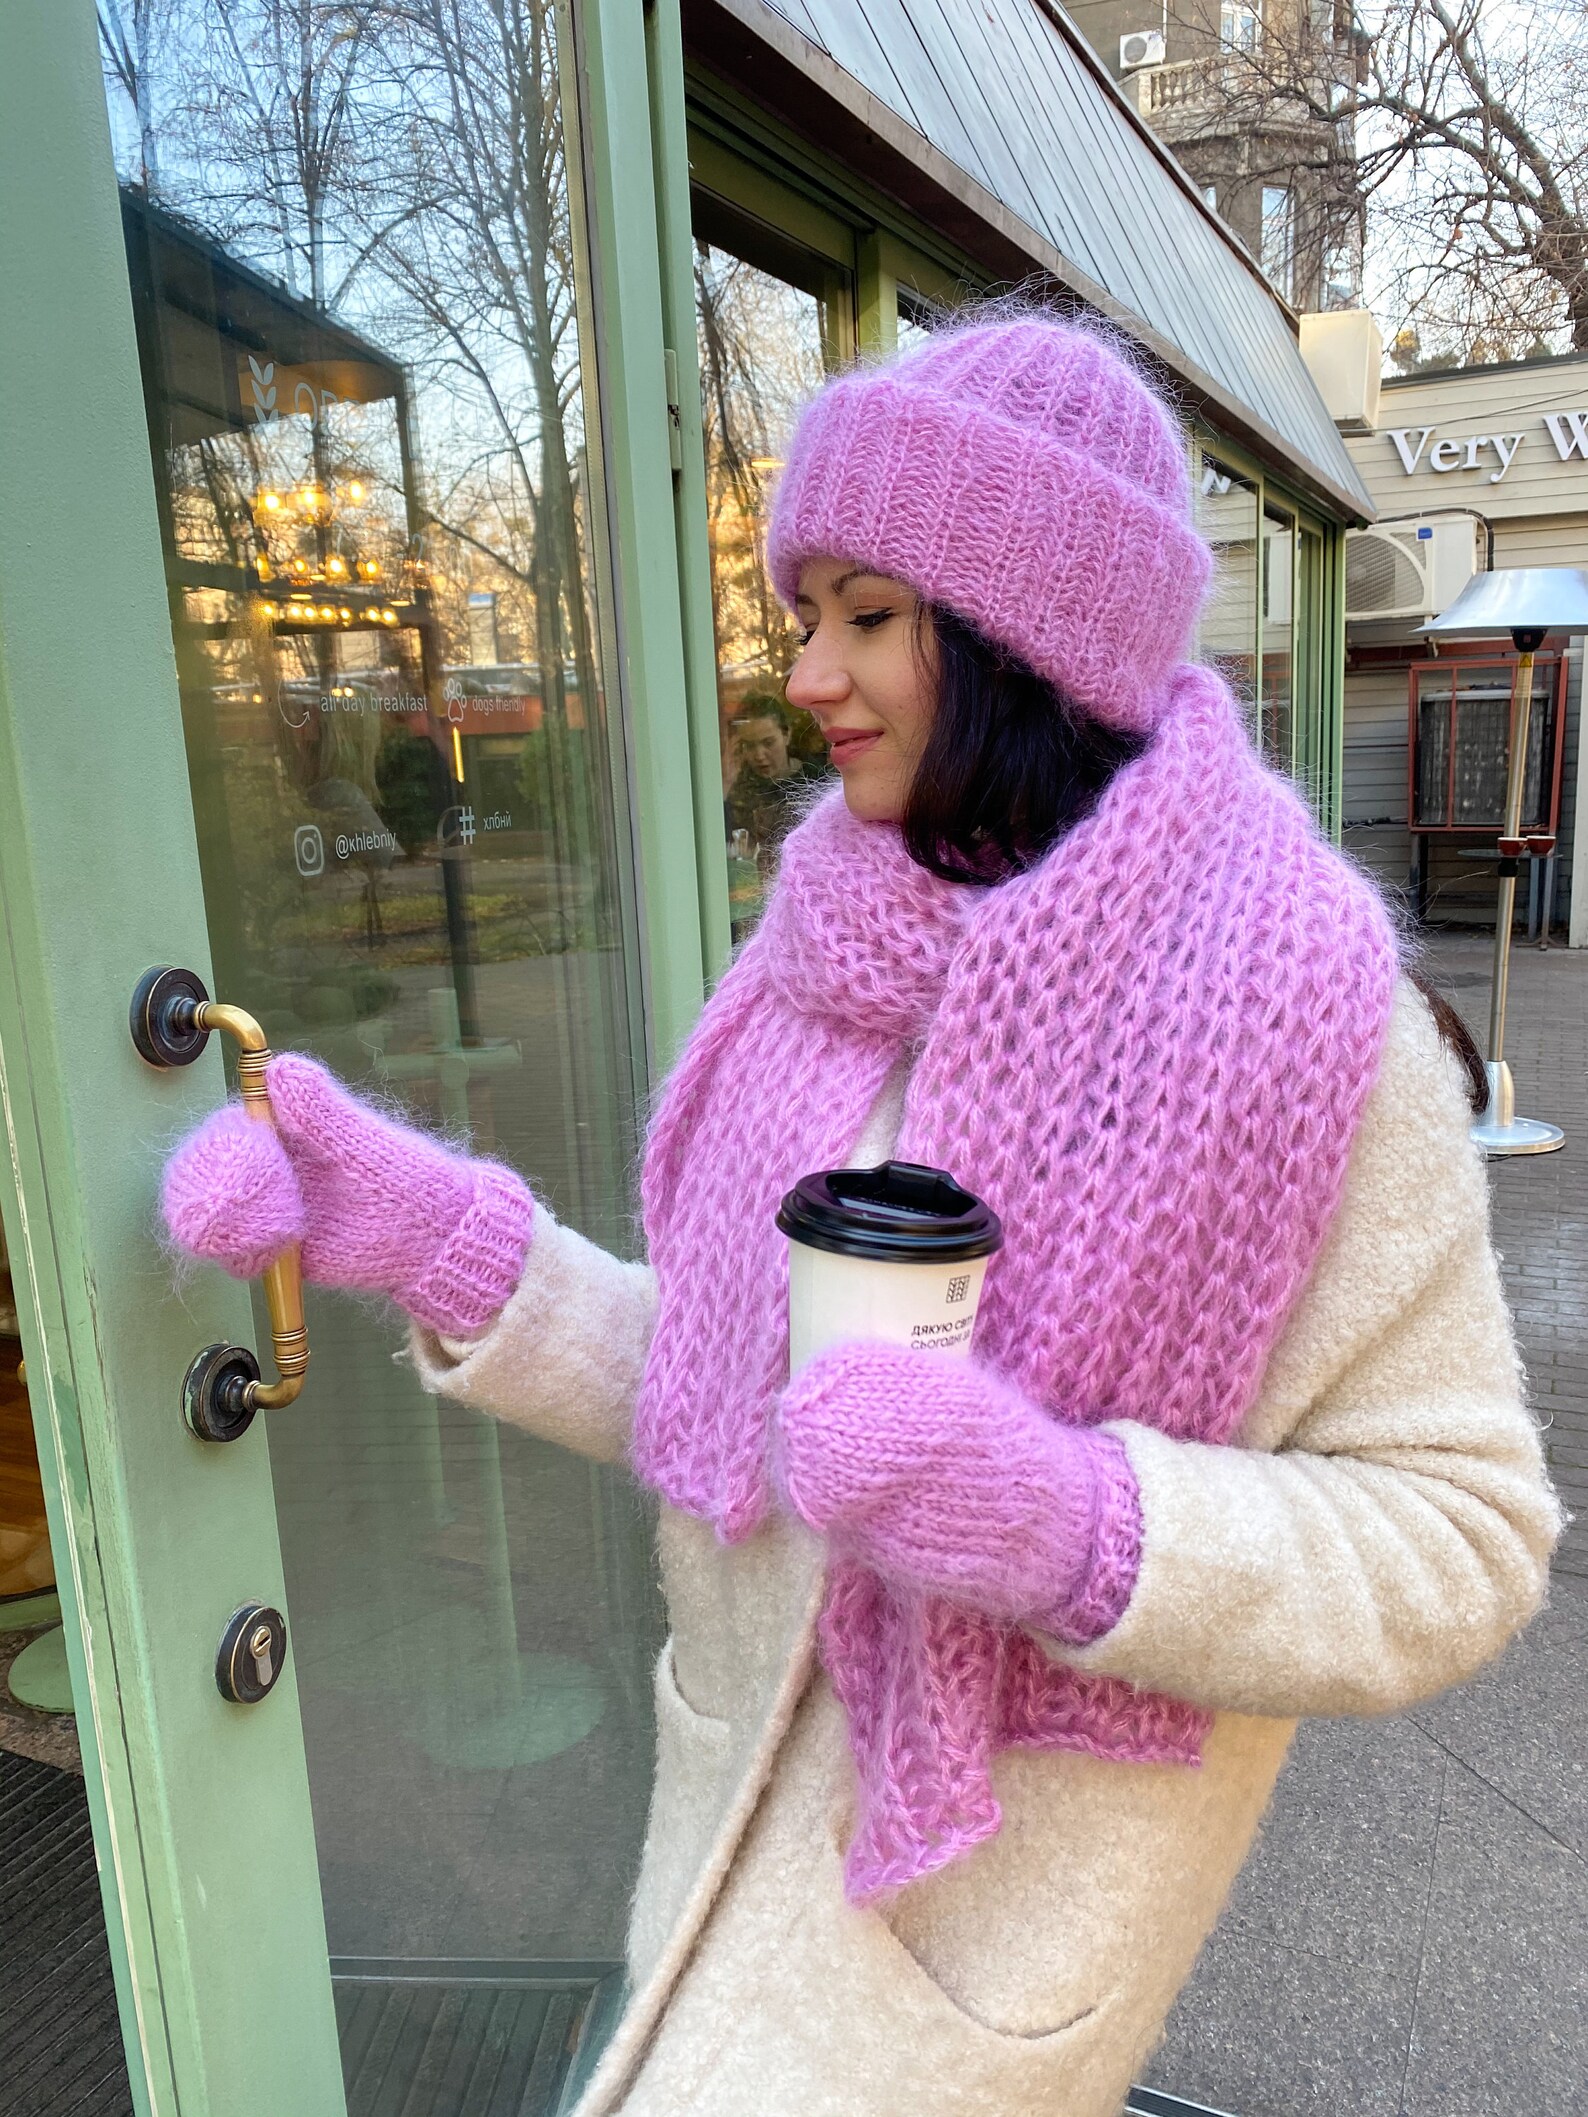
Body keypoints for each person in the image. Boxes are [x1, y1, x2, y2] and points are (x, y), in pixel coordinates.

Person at [160, 316, 1561, 2117]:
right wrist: (443, 1242)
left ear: (1033, 635)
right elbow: (748, 1401)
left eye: (868, 613)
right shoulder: (814, 951)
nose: (808, 674)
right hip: (719, 1847)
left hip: (979, 1936)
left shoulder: (1313, 1021)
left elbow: (1461, 1535)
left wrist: (1071, 1523)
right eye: (803, 615)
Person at [723, 692, 829, 872]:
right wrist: (726, 784)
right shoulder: (740, 787)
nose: (759, 755)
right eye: (749, 746)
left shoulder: (818, 781)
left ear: (786, 735)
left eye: (768, 743)